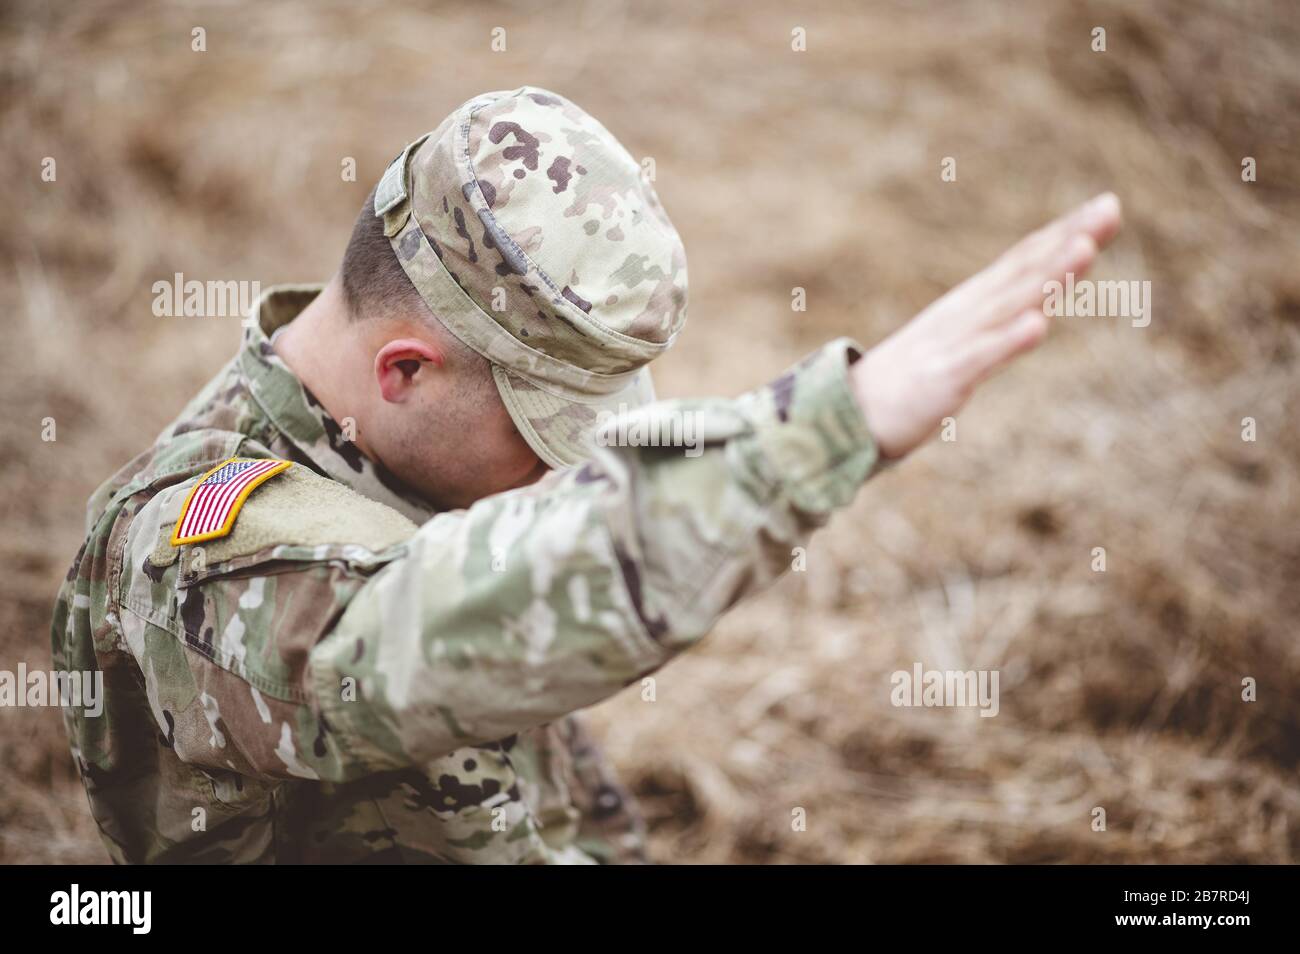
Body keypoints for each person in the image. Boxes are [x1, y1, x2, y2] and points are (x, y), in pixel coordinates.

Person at [50, 85, 1122, 863]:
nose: (568, 473)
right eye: (548, 431)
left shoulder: (394, 451)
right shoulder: (199, 558)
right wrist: (824, 434)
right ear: (407, 371)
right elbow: (419, 630)